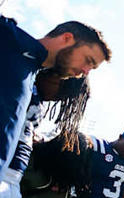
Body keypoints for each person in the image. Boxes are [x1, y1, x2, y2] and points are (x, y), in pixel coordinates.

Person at [1, 18, 109, 181]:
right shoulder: (10, 38)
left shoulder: (32, 74)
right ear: (66, 38)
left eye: (92, 68)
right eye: (88, 60)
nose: (86, 71)